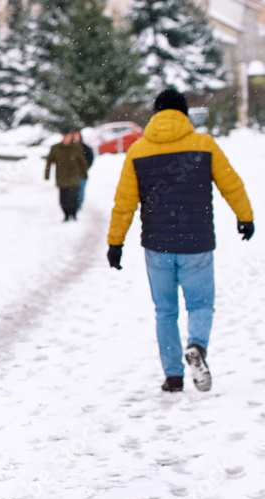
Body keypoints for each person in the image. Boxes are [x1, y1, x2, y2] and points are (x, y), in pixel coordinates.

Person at [106, 88, 254, 393]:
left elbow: (124, 203)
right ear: (184, 113)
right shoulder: (205, 145)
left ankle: (173, 377)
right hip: (196, 242)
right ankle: (197, 345)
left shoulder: (138, 151)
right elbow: (232, 184)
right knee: (200, 304)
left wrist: (115, 243)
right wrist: (245, 217)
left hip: (157, 246)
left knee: (165, 311)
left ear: (155, 114)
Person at [44, 127, 88, 221]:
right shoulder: (55, 148)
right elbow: (49, 161)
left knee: (73, 198)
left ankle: (74, 213)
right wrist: (46, 175)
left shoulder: (76, 148)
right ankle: (66, 214)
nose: (65, 138)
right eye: (64, 136)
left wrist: (84, 174)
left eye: (67, 136)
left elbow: (82, 162)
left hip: (74, 177)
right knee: (63, 199)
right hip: (62, 178)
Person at [73, 129, 94, 211]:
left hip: (82, 174)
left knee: (80, 191)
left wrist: (86, 167)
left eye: (77, 136)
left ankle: (78, 206)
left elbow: (90, 158)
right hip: (72, 175)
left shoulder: (85, 148)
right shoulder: (69, 148)